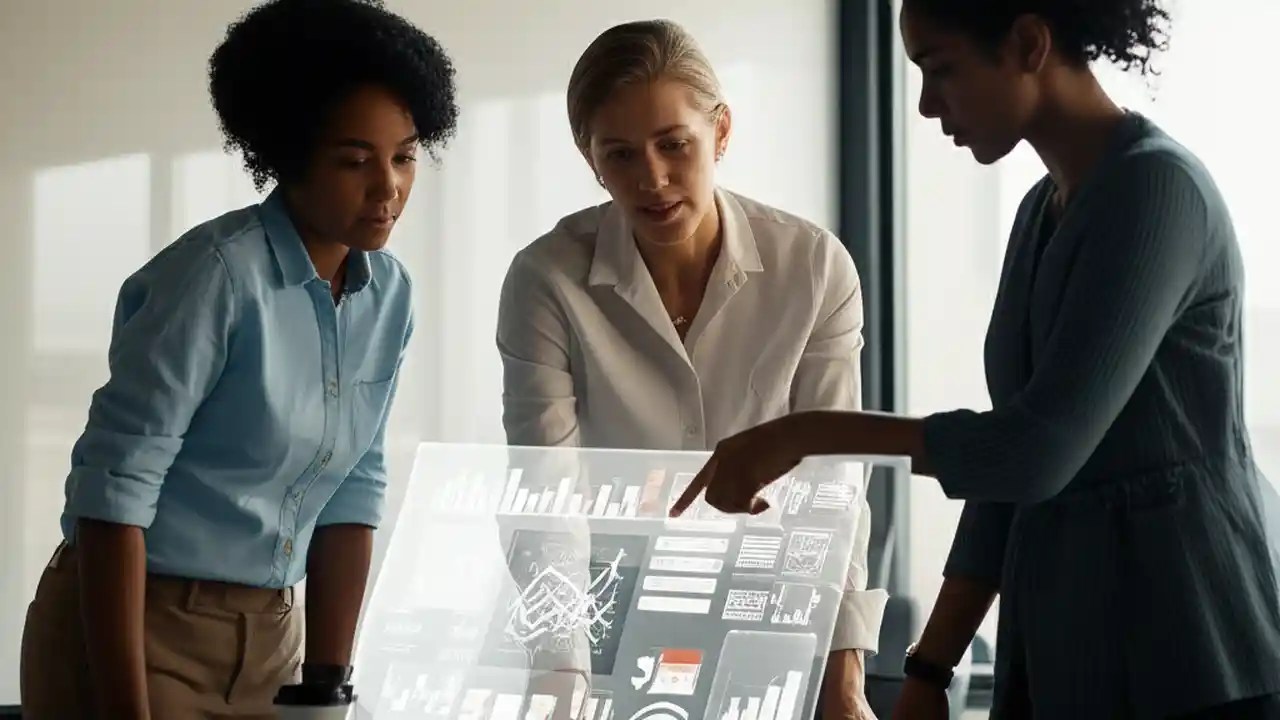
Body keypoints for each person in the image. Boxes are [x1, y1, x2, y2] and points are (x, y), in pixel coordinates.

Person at [671, 0, 1280, 718]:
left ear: (1027, 41)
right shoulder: (1042, 210)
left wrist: (801, 432)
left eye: (941, 70)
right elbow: (1008, 464)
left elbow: (1034, 452)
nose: (928, 105)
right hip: (1070, 646)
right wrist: (930, 667)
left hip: (1193, 650)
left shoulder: (1156, 192)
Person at [18, 1, 457, 717]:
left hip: (273, 642)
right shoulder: (213, 278)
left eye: (405, 156)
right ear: (287, 154)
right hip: (140, 629)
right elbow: (112, 500)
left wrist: (326, 686)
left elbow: (354, 488)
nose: (388, 188)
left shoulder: (390, 295)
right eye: (354, 161)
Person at [496, 18, 887, 720]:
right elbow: (544, 494)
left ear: (722, 133)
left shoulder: (814, 267)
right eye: (619, 155)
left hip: (769, 603)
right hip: (606, 614)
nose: (652, 179)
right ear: (590, 161)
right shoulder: (546, 279)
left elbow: (834, 487)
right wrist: (561, 677)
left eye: (674, 145)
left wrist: (844, 673)